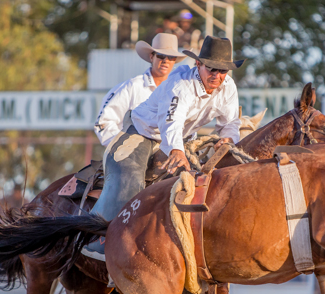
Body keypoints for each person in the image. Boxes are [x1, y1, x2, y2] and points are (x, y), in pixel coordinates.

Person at [83, 36, 245, 260]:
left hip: (182, 138)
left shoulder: (228, 87)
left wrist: (227, 138)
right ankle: (100, 241)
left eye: (223, 70)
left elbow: (230, 122)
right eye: (211, 69)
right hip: (143, 134)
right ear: (198, 64)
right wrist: (177, 150)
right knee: (130, 180)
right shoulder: (180, 85)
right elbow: (172, 122)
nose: (217, 75)